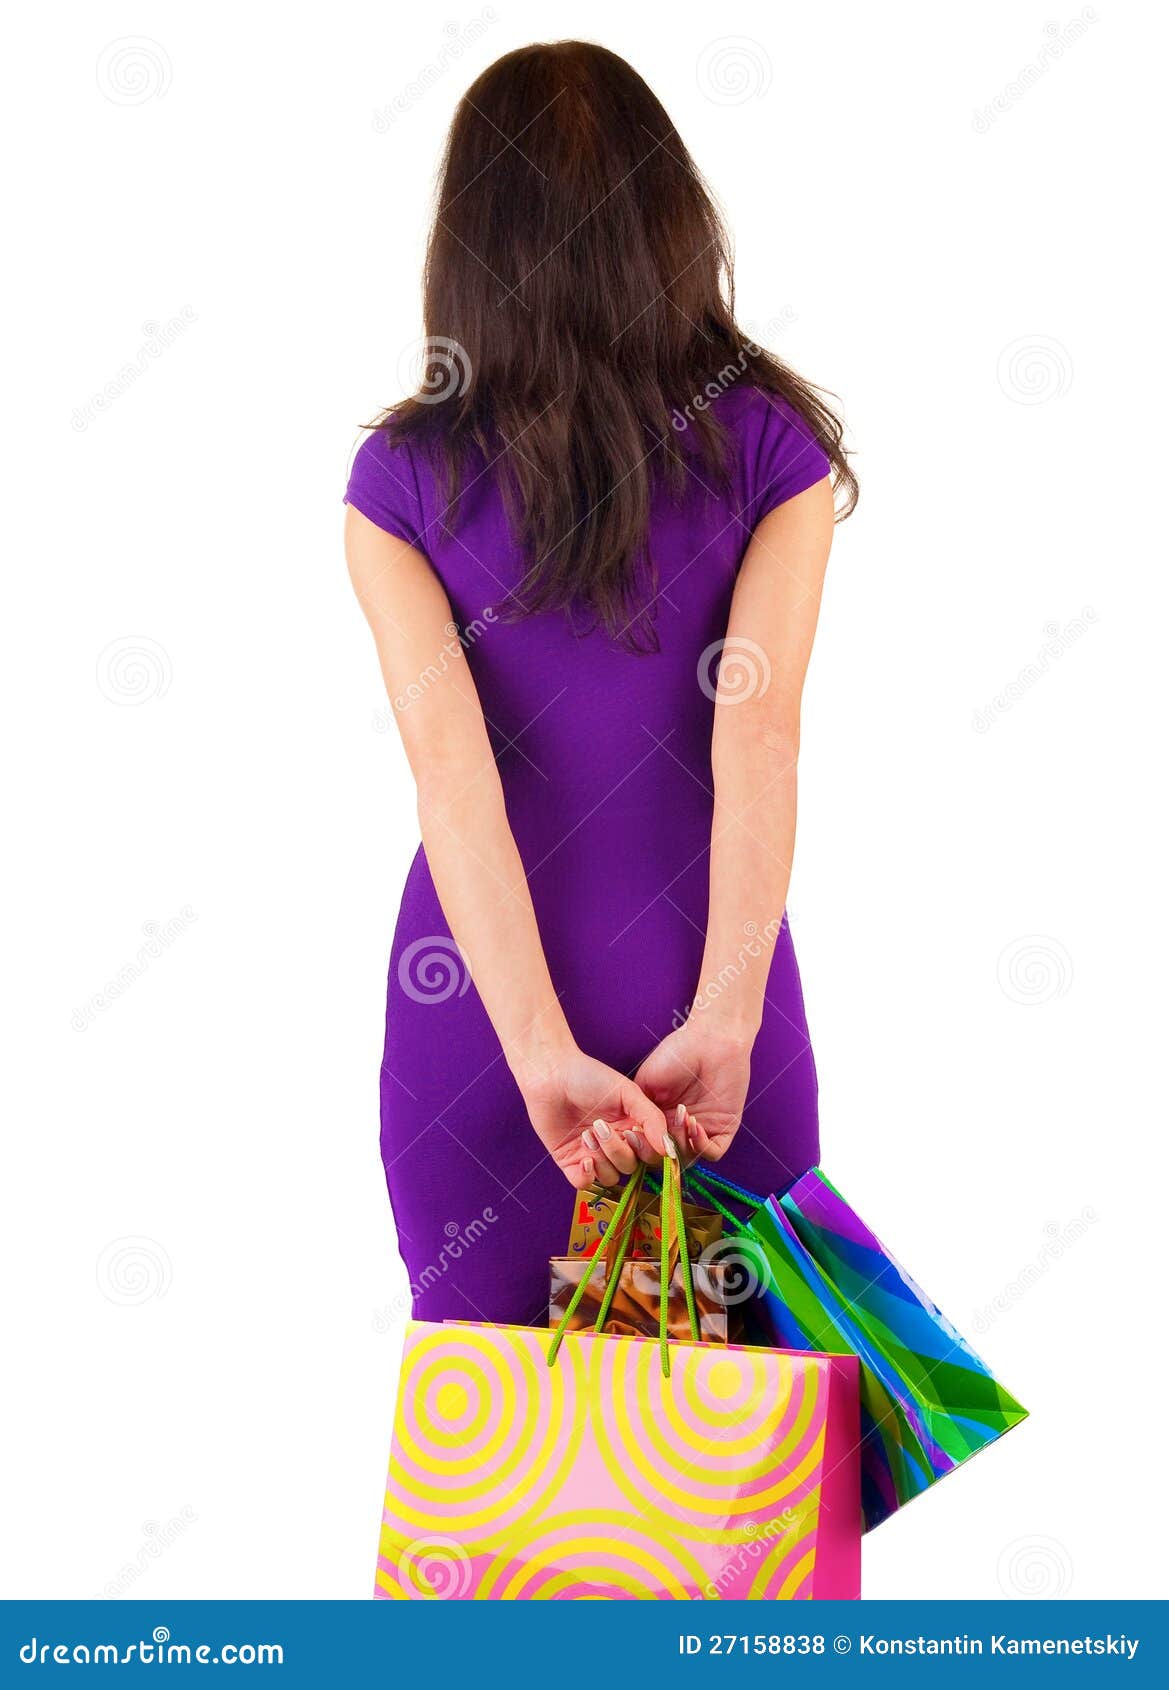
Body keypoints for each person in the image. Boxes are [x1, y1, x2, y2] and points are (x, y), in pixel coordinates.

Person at [344, 40, 855, 1330]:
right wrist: (725, 1018)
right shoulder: (772, 447)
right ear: (674, 223)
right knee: (744, 1497)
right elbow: (761, 741)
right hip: (718, 1025)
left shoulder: (399, 488)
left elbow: (453, 787)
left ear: (467, 250)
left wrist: (537, 1058)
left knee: (499, 1498)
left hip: (485, 1034)